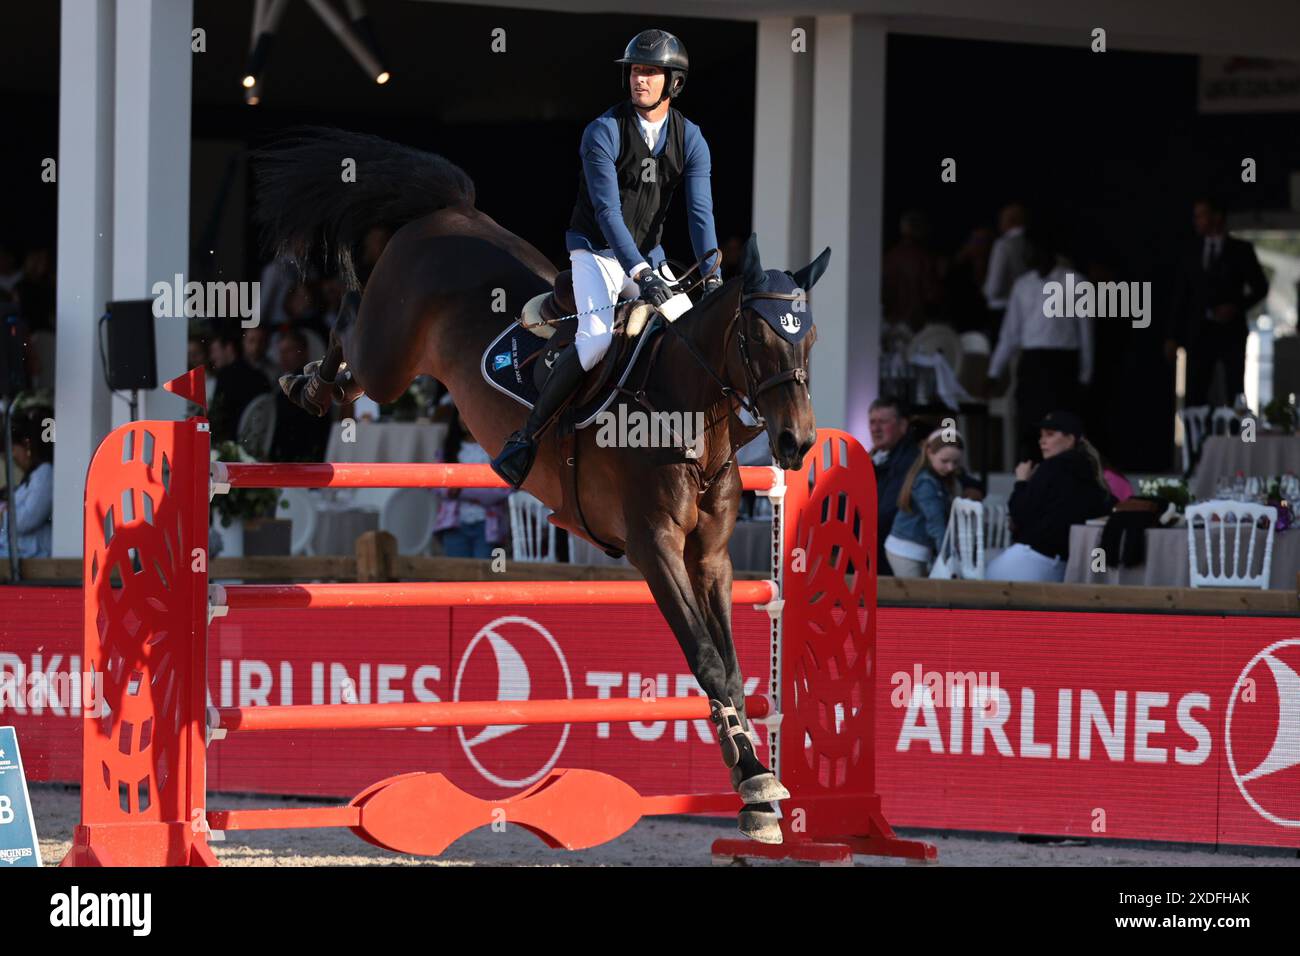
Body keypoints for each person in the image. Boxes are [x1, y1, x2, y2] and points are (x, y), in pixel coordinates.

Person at [492, 28, 722, 488]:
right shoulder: (603, 131)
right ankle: (526, 439)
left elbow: (700, 214)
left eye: (651, 72)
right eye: (636, 71)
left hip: (649, 255)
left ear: (673, 83)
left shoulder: (691, 138)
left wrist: (713, 273)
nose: (640, 80)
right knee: (595, 341)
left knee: (691, 333)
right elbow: (608, 212)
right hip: (595, 253)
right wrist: (641, 272)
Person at [987, 229, 1093, 461]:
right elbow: (1010, 334)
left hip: (1062, 364)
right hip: (1033, 363)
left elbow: (1086, 331)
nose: (1028, 256)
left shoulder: (1074, 281)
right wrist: (994, 372)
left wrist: (1086, 373)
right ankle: (1029, 478)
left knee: (1062, 429)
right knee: (1030, 426)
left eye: (1032, 250)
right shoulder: (1022, 286)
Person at [986, 410, 1113, 582]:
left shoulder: (1052, 467)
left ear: (1070, 439)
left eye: (1050, 435)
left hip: (1031, 561)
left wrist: (1021, 481)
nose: (1042, 441)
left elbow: (1019, 512)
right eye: (1041, 435)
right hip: (1062, 568)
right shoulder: (1091, 472)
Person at [1168, 196, 1269, 407]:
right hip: (1198, 332)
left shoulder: (1241, 250)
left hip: (1231, 332)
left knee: (1234, 390)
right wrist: (1173, 335)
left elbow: (1260, 287)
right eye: (1196, 216)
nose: (1197, 221)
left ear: (1217, 217)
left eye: (1202, 215)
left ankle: (1235, 438)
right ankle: (1196, 438)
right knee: (1195, 391)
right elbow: (1181, 295)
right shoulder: (1191, 251)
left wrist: (1235, 307)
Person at [884, 431, 965, 577]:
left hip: (917, 548)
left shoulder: (940, 478)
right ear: (929, 453)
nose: (950, 468)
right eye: (945, 461)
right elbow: (936, 523)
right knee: (915, 597)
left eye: (956, 462)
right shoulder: (926, 483)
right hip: (906, 550)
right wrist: (948, 557)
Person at [434, 404, 511, 558]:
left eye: (471, 412)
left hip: (489, 527)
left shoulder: (496, 449)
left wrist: (461, 490)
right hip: (455, 525)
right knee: (456, 575)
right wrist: (480, 491)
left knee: (490, 573)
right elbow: (437, 484)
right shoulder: (448, 450)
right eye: (461, 413)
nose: (464, 419)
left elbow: (503, 489)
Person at [869, 397, 919, 576]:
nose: (875, 428)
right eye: (872, 422)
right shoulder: (875, 458)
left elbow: (885, 514)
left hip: (892, 557)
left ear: (903, 425)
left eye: (882, 422)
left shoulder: (911, 460)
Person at [268, 327, 332, 462]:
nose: (283, 356)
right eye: (281, 351)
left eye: (289, 351)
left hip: (304, 460)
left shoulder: (311, 383)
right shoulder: (282, 383)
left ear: (304, 352)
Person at [0, 406, 54, 558]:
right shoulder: (31, 477)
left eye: (14, 450)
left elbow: (26, 519)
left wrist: (3, 514)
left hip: (37, 554)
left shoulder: (45, 473)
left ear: (27, 445)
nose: (13, 457)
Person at [207, 327, 270, 445]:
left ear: (229, 348)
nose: (212, 357)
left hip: (230, 445)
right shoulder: (262, 377)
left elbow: (216, 419)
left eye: (215, 351)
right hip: (258, 444)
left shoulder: (225, 376)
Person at [982, 202, 1030, 315]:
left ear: (1011, 220)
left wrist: (985, 290)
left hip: (1005, 310)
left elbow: (994, 288)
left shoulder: (1003, 245)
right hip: (1031, 307)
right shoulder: (1032, 243)